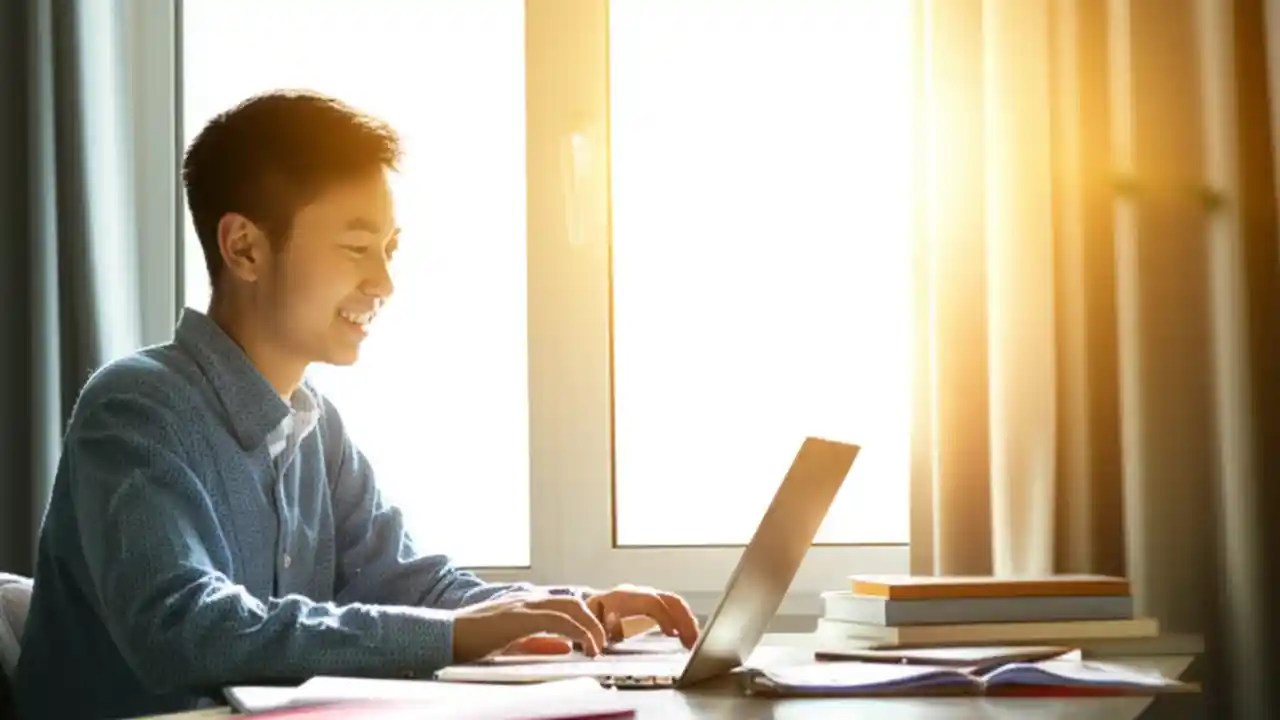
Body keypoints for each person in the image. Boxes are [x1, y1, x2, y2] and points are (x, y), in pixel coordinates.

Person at [14, 90, 699, 720]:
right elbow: (186, 629)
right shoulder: (135, 407)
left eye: (390, 249)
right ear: (244, 247)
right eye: (356, 248)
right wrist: (462, 635)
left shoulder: (314, 425)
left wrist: (570, 610)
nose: (384, 281)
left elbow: (411, 585)